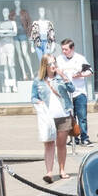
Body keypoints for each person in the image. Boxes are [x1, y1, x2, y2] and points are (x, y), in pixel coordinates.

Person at [32, 55, 72, 183]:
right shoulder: (38, 81)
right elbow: (33, 97)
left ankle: (62, 170)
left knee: (61, 144)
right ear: (45, 66)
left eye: (54, 62)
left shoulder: (61, 78)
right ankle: (49, 172)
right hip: (48, 117)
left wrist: (64, 77)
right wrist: (39, 102)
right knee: (49, 144)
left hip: (63, 114)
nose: (53, 66)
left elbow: (72, 89)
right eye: (50, 64)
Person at [57, 39, 93, 147]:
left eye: (66, 49)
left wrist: (80, 75)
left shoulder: (80, 58)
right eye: (62, 49)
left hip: (79, 91)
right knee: (69, 117)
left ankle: (84, 138)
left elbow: (90, 71)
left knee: (82, 116)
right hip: (66, 93)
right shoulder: (59, 59)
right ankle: (73, 138)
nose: (64, 51)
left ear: (72, 48)